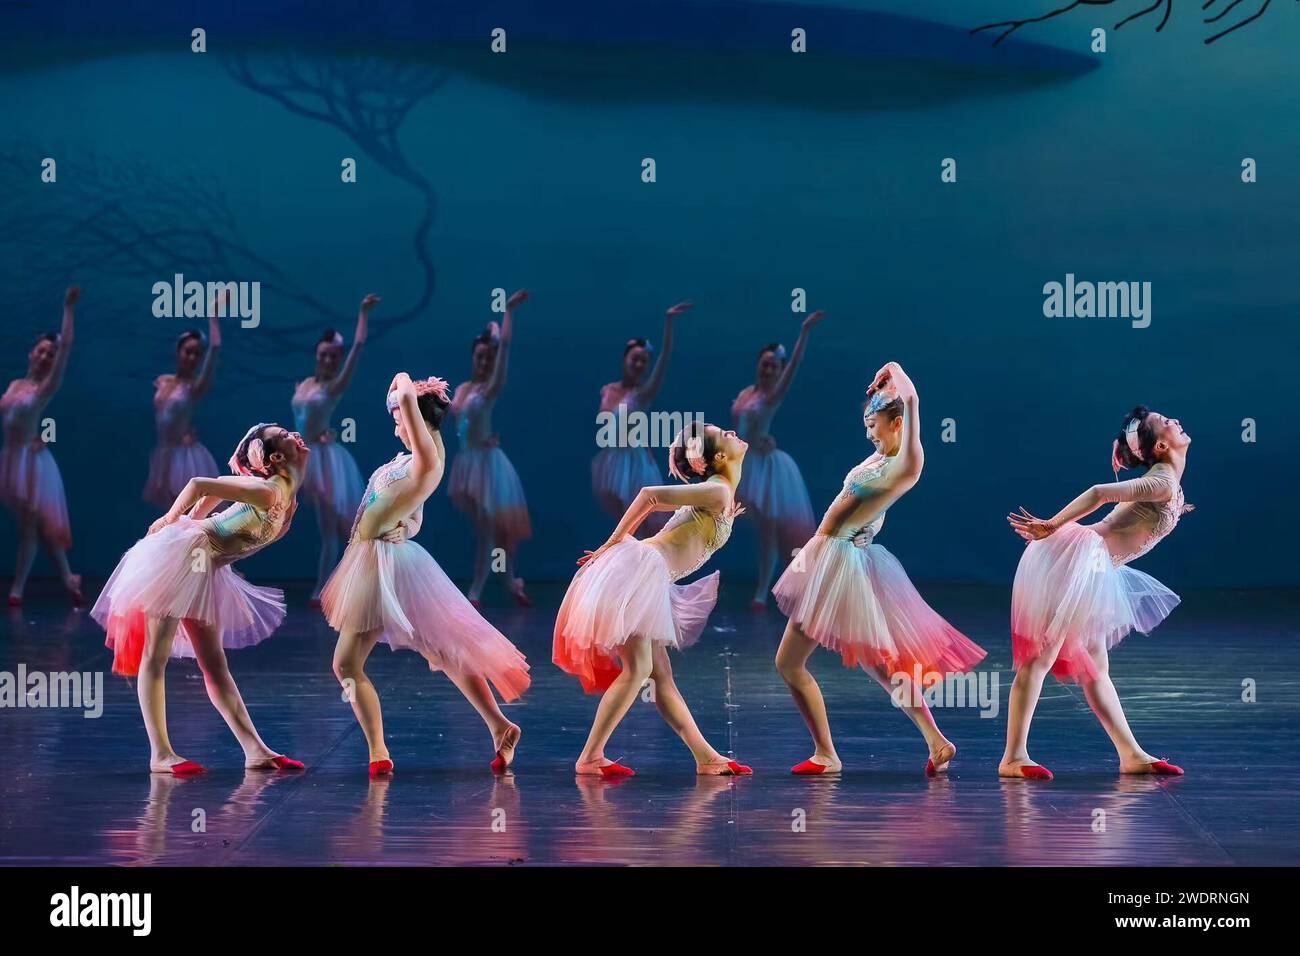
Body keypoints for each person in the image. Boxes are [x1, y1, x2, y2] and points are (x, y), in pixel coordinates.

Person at [324, 373, 531, 777]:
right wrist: (404, 526)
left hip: (382, 567)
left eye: (399, 418)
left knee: (347, 665)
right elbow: (414, 515)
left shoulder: (426, 458)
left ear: (414, 418)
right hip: (384, 558)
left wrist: (403, 388)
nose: (395, 425)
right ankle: (500, 727)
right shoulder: (415, 460)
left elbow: (400, 384)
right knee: (445, 653)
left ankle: (378, 751)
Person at [91, 424, 311, 775]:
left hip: (206, 566)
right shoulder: (268, 492)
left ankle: (255, 750)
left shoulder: (286, 497)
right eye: (284, 433)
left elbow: (217, 488)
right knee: (156, 654)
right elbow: (199, 483)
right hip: (181, 558)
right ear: (277, 457)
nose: (294, 434)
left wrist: (195, 520)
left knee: (214, 663)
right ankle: (160, 755)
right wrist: (172, 522)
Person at [1000, 406, 1193, 780]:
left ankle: (1131, 754)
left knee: (1095, 667)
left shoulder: (1167, 481)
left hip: (1095, 566)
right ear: (1163, 446)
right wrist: (1051, 525)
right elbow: (1099, 492)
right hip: (1078, 559)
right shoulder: (1162, 483)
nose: (1174, 420)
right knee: (1042, 656)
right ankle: (1012, 757)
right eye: (1166, 422)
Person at [555, 420, 752, 777]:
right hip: (637, 575)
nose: (733, 433)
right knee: (639, 670)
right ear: (720, 456)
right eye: (724, 434)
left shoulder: (720, 494)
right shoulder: (717, 492)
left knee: (661, 677)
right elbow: (649, 495)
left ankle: (706, 758)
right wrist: (612, 543)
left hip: (647, 579)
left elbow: (686, 527)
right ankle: (590, 757)